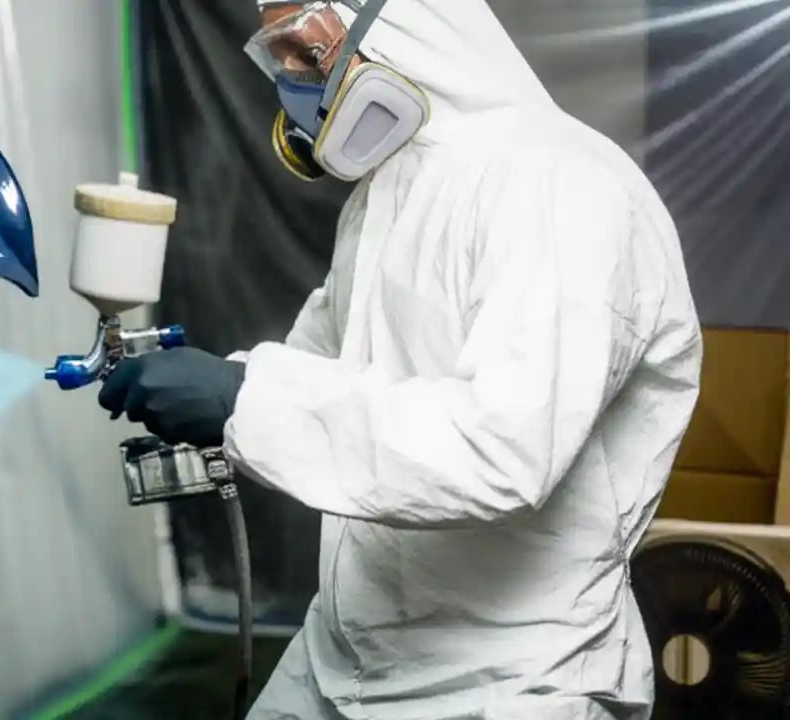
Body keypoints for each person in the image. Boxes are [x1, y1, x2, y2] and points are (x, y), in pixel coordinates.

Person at [98, 0, 703, 718]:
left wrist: (242, 401)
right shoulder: (392, 189)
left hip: (508, 681)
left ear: (396, 19)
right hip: (350, 651)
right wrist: (219, 392)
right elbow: (321, 366)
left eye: (302, 49)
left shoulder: (560, 187)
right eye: (276, 54)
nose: (289, 78)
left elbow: (503, 448)